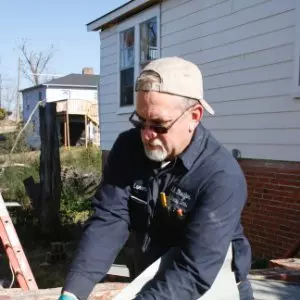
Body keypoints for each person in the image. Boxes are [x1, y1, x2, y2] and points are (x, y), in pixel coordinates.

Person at [59, 56, 253, 300]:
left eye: (159, 124)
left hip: (211, 287)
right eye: (141, 120)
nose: (147, 135)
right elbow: (110, 218)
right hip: (152, 283)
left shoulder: (220, 177)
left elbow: (193, 270)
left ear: (194, 116)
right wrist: (75, 289)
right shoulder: (128, 149)